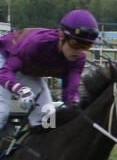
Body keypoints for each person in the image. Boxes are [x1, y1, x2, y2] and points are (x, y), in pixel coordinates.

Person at [0, 9, 98, 141]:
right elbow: (5, 72)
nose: (79, 51)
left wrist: (74, 107)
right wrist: (20, 89)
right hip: (4, 59)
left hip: (27, 70)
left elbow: (70, 96)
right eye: (75, 44)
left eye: (86, 46)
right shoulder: (36, 44)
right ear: (62, 36)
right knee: (2, 111)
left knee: (48, 116)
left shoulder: (78, 60)